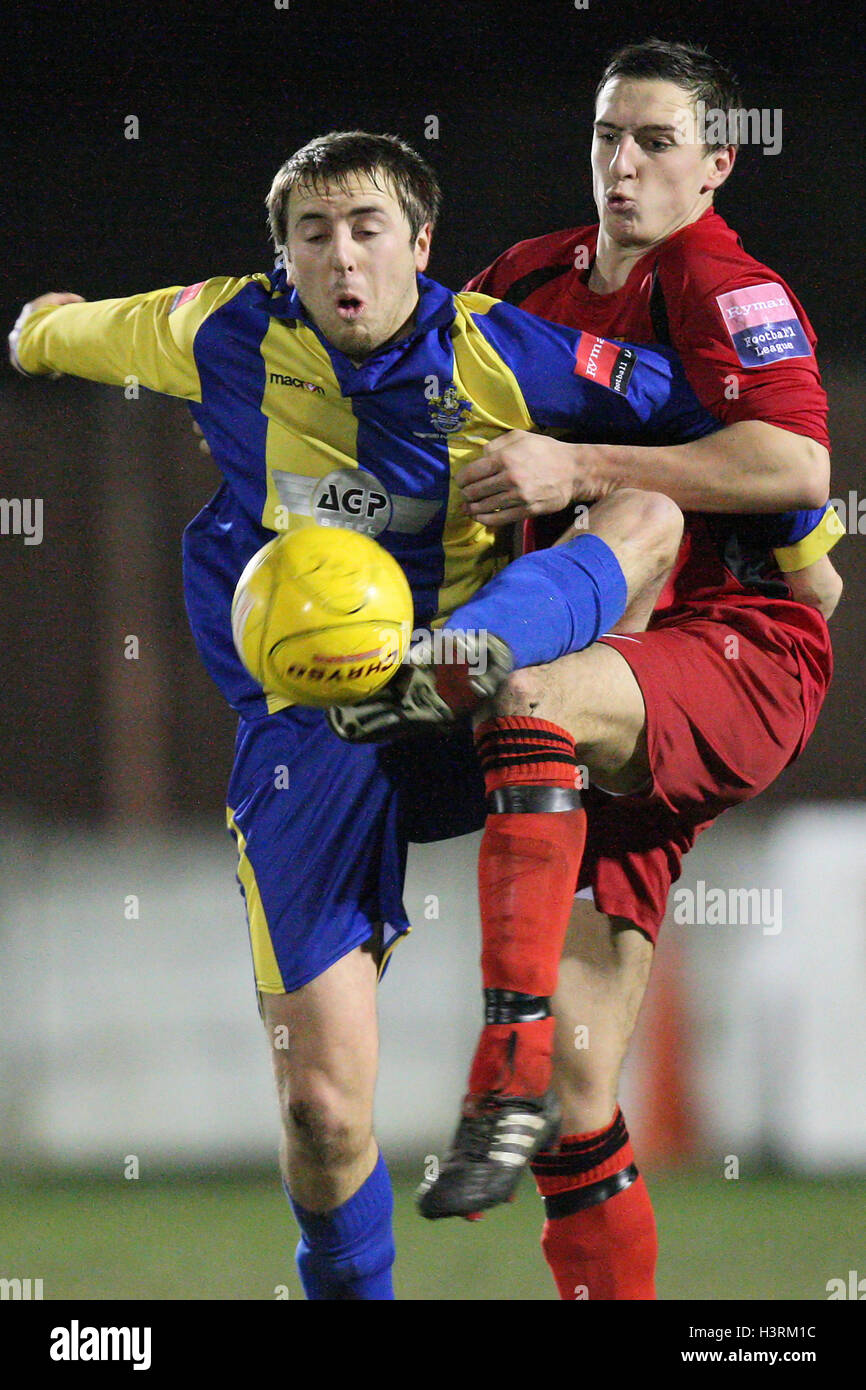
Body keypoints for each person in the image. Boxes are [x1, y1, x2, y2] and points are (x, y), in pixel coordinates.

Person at [8, 129, 768, 1300]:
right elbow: (74, 330)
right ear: (284, 256)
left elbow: (708, 425)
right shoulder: (225, 331)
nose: (342, 258)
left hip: (477, 693)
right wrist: (35, 328)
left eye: (368, 230)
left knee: (644, 508)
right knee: (319, 1112)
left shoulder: (496, 351)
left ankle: (473, 654)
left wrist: (796, 538)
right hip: (313, 727)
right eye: (313, 234)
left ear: (420, 246)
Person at [409, 41, 841, 1297]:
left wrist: (586, 467)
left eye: (656, 140)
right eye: (608, 134)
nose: (623, 161)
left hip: (735, 651)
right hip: (613, 673)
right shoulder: (530, 277)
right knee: (581, 1094)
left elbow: (796, 468)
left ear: (715, 163)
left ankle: (499, 1055)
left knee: (528, 689)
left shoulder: (721, 283)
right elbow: (442, 411)